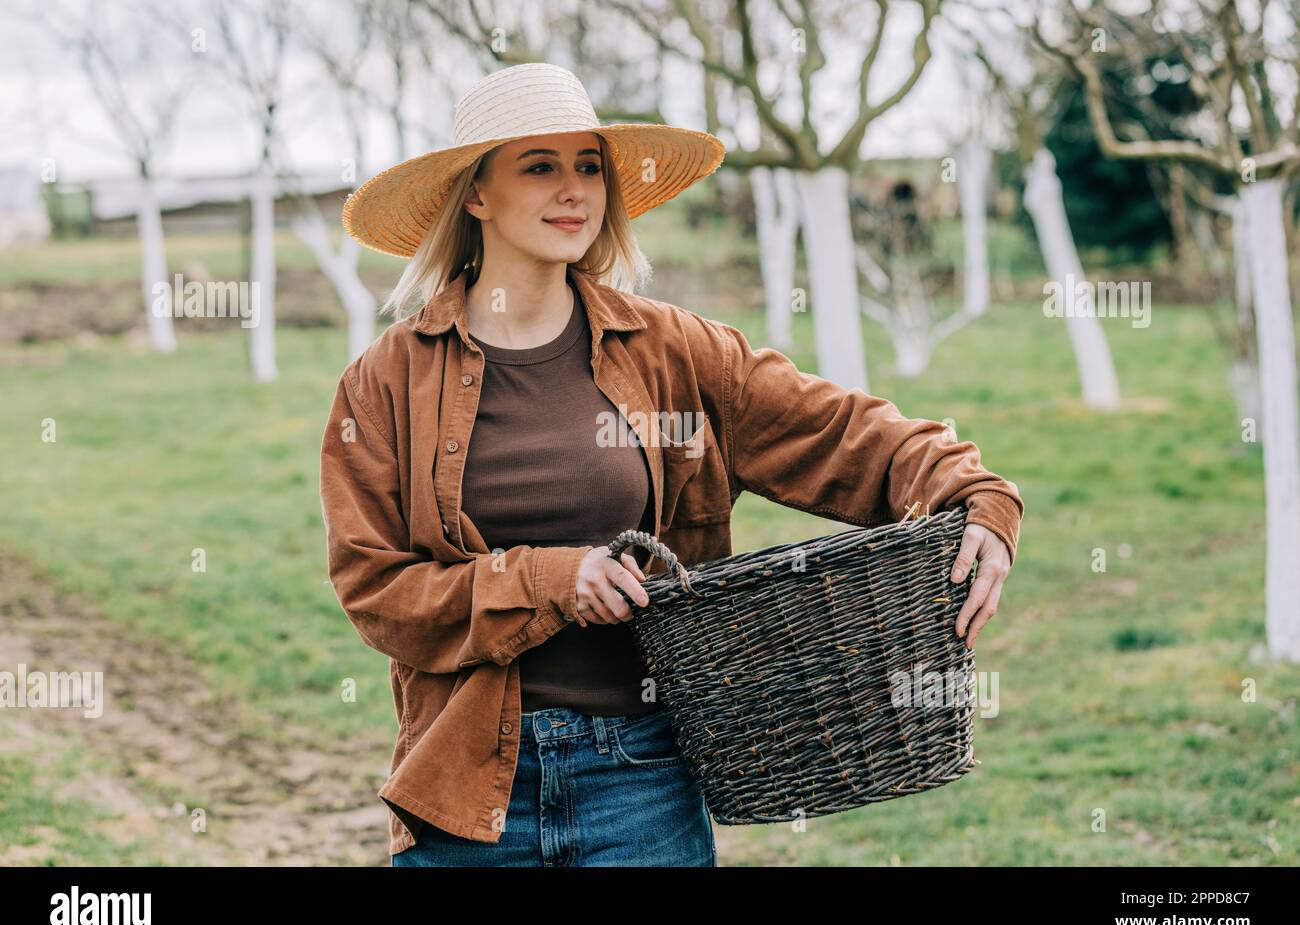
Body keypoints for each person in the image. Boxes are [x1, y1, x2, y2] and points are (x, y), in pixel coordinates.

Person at [319, 62, 1024, 867]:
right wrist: (552, 582)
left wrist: (974, 494)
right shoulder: (387, 382)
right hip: (465, 788)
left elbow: (842, 433)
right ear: (475, 194)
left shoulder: (673, 351)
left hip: (642, 778)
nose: (575, 190)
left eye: (588, 165)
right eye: (540, 166)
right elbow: (375, 590)